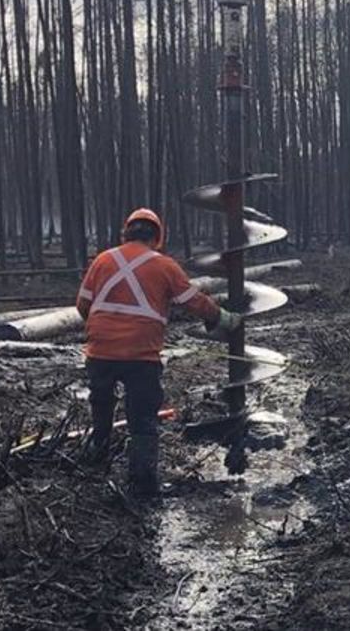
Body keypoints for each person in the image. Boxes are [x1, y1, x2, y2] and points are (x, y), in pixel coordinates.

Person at [76, 208, 241, 496]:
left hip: (100, 350)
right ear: (157, 236)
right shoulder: (164, 265)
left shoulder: (103, 260)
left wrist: (104, 326)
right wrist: (221, 318)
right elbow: (193, 301)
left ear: (126, 232)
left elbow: (82, 306)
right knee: (142, 419)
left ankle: (96, 453)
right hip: (141, 354)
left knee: (101, 402)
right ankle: (142, 486)